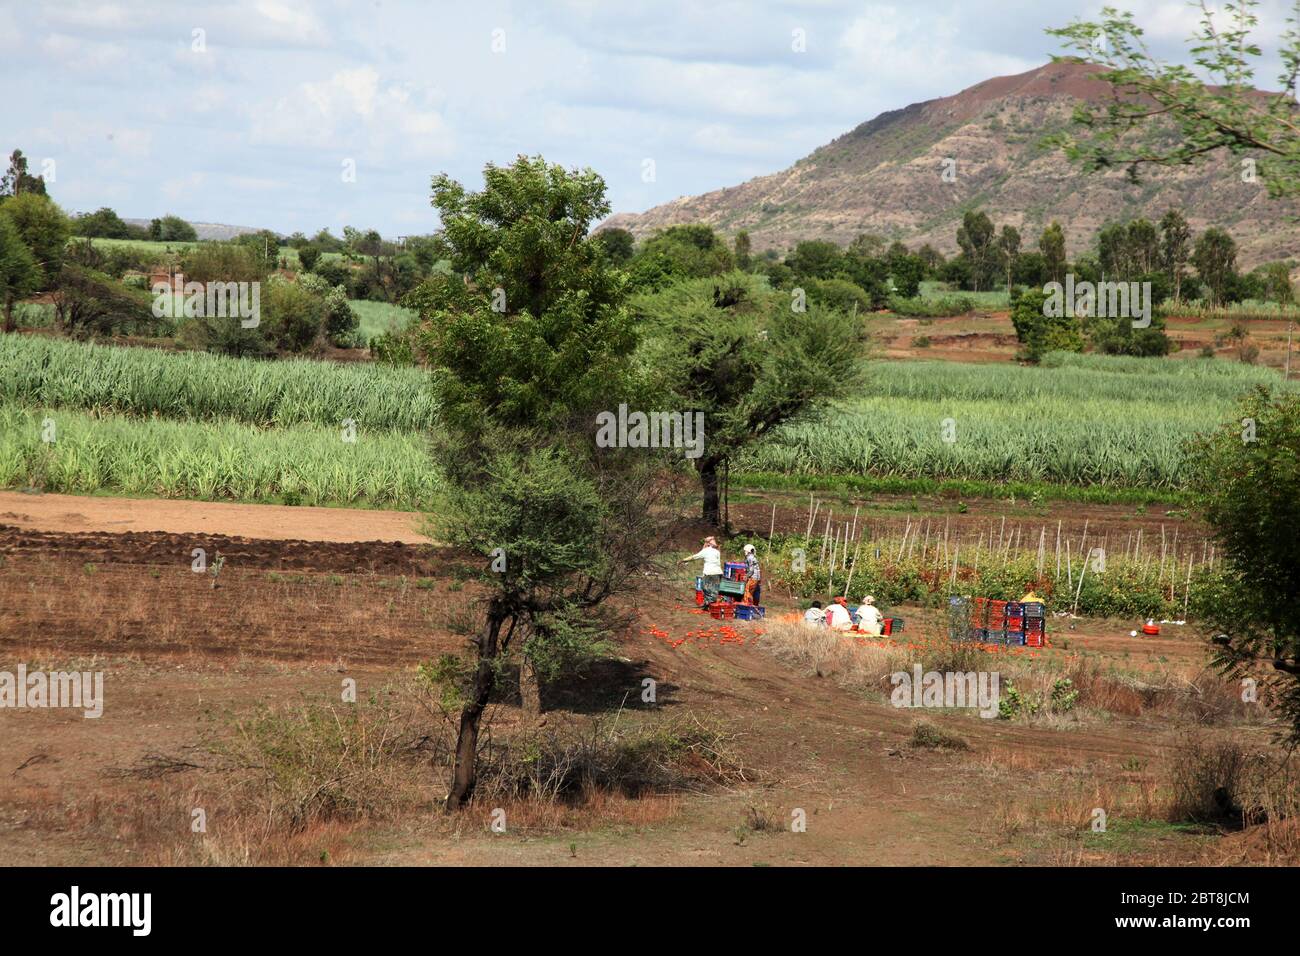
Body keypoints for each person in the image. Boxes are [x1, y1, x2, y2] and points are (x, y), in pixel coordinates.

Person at [681, 536, 722, 605]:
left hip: (709, 573)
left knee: (705, 587)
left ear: (707, 544)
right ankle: (712, 604)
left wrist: (683, 560)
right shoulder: (717, 551)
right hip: (718, 573)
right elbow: (705, 550)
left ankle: (709, 604)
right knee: (714, 589)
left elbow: (695, 557)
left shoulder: (706, 551)